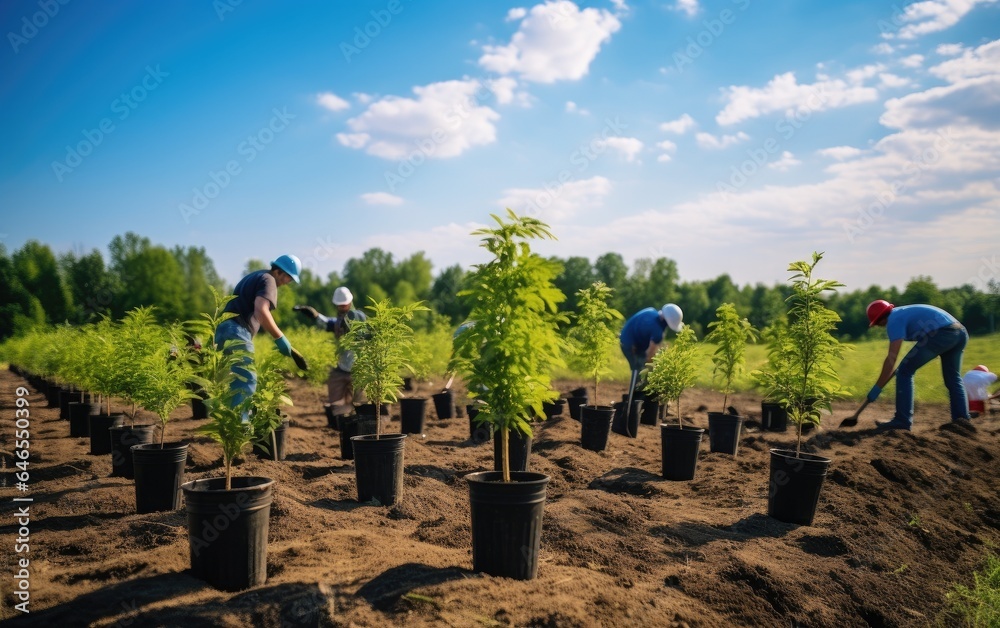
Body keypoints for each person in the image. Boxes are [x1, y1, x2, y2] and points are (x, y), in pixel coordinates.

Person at [214, 254, 308, 421]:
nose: (288, 282)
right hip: (237, 329)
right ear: (279, 271)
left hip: (223, 328)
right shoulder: (269, 280)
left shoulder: (256, 275)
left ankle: (229, 421)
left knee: (227, 378)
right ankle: (240, 425)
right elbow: (261, 310)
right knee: (247, 378)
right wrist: (280, 338)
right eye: (289, 278)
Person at [865, 300, 970, 431]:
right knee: (953, 378)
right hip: (960, 332)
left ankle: (902, 421)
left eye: (876, 324)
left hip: (942, 334)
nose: (878, 326)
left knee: (904, 371)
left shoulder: (893, 320)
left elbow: (892, 358)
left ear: (880, 320)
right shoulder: (901, 313)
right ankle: (962, 422)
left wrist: (877, 388)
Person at [295, 286, 367, 416]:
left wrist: (352, 324)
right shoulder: (338, 320)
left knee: (360, 402)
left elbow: (361, 323)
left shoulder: (358, 316)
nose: (342, 308)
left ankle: (357, 415)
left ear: (350, 303)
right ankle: (339, 416)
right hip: (342, 365)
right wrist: (315, 316)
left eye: (345, 305)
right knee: (336, 395)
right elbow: (329, 323)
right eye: (340, 306)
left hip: (359, 367)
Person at [619, 303, 684, 421]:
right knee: (639, 372)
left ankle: (636, 404)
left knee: (642, 372)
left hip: (629, 340)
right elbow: (650, 356)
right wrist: (654, 369)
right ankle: (632, 408)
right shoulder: (657, 330)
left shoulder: (650, 311)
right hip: (629, 345)